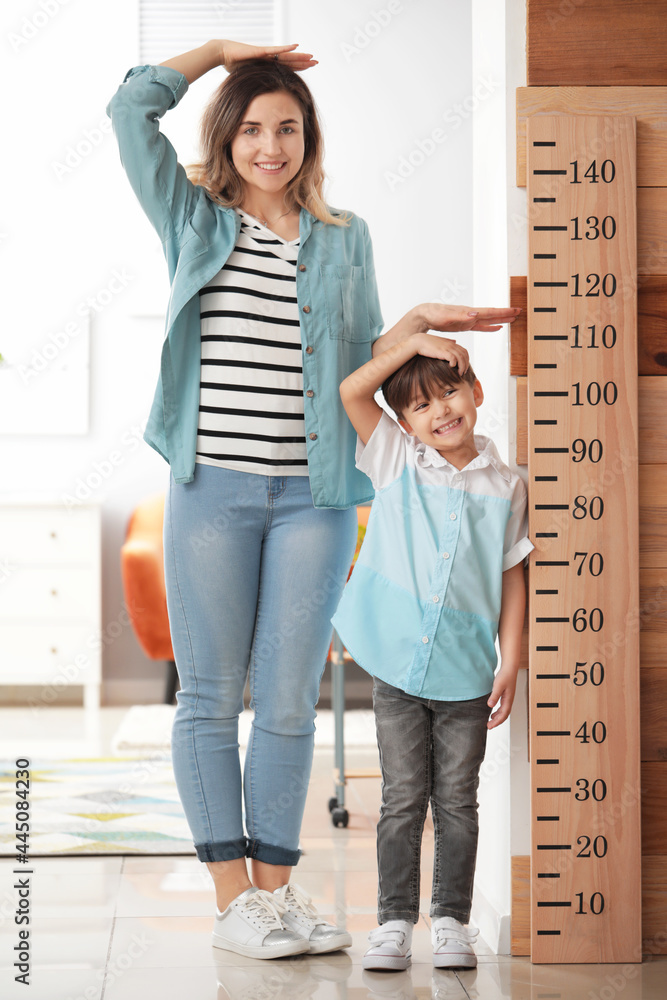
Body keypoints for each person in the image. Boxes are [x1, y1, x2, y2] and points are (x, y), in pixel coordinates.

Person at [107, 36, 521, 961]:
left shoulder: (345, 236)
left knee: (291, 700)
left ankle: (276, 893)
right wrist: (215, 52)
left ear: (308, 137)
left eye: (286, 128)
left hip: (318, 495)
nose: (269, 146)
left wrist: (414, 328)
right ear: (226, 135)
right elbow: (128, 111)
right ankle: (230, 901)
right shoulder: (192, 217)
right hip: (211, 485)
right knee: (212, 695)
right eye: (251, 128)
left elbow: (358, 357)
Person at [332, 331, 532, 971]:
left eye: (450, 392)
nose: (441, 411)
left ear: (475, 392)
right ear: (405, 422)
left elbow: (511, 575)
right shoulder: (395, 458)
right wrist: (417, 333)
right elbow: (352, 391)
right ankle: (393, 921)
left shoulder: (508, 486)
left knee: (457, 802)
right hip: (395, 662)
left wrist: (513, 659)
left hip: (465, 670)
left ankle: (451, 920)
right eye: (420, 406)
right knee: (401, 798)